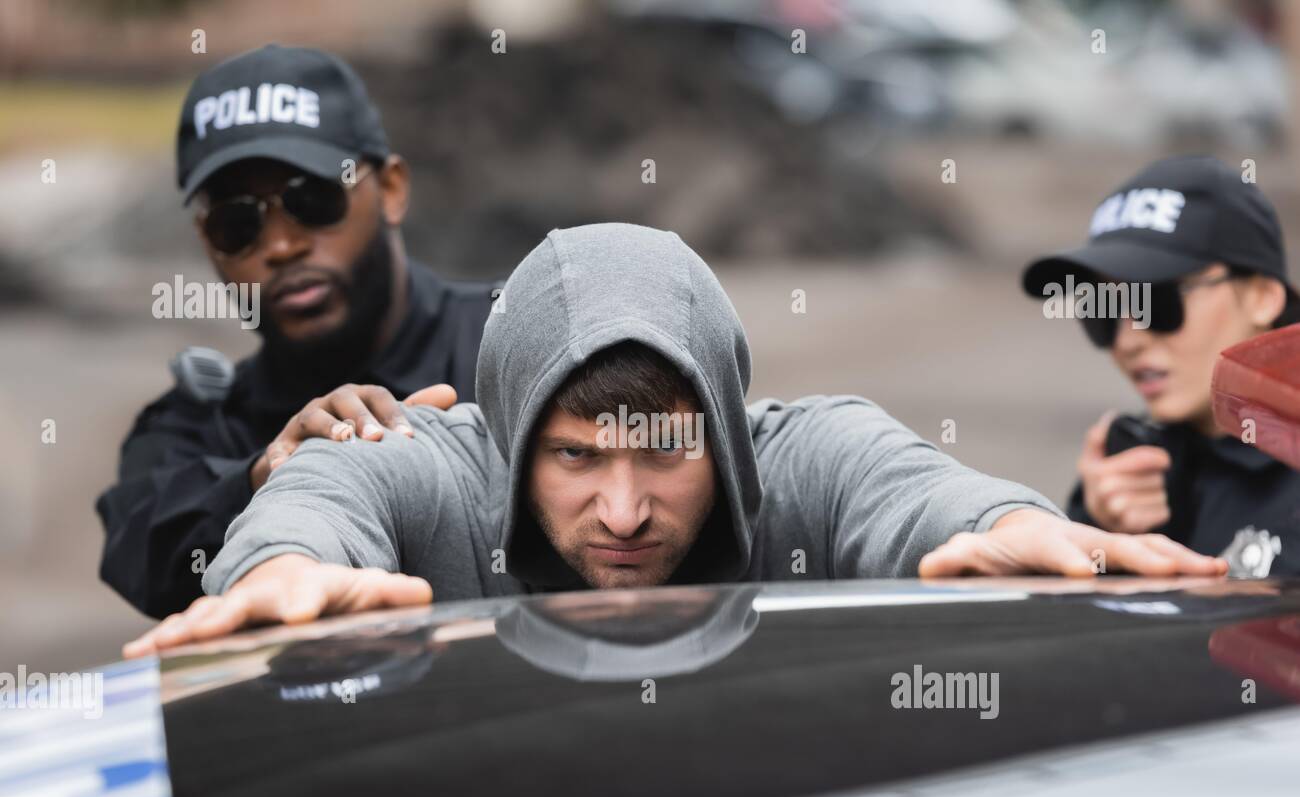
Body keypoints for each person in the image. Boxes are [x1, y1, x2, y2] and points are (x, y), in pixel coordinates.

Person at [124, 223, 1225, 658]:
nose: (621, 512)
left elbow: (910, 488)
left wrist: (1008, 522)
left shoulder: (802, 453)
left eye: (664, 451)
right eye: (573, 457)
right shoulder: (437, 461)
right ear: (512, 440)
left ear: (728, 436)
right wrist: (278, 568)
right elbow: (325, 497)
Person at [96, 45, 491, 618]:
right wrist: (274, 472)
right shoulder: (199, 422)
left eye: (314, 199)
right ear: (208, 243)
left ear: (392, 190)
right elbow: (142, 541)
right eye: (239, 223)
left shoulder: (508, 341)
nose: (282, 247)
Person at [1022, 156, 1300, 577]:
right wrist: (1102, 537)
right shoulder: (1135, 465)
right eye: (1103, 310)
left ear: (1262, 296)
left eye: (1155, 302)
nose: (1129, 340)